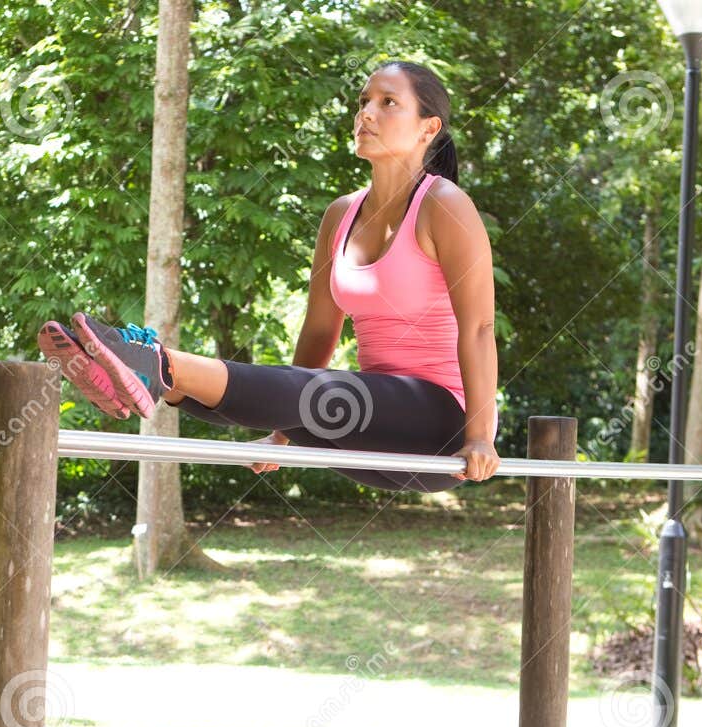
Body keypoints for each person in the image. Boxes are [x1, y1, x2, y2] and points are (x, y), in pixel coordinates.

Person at [38, 59, 500, 490]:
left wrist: (479, 436)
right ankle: (153, 376)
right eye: (363, 102)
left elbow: (478, 328)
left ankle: (154, 363)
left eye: (387, 102)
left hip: (444, 427)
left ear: (429, 128)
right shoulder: (341, 214)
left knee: (324, 392)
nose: (366, 114)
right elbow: (320, 330)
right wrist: (283, 434)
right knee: (311, 391)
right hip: (366, 429)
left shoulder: (444, 205)